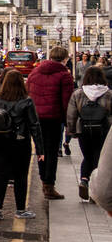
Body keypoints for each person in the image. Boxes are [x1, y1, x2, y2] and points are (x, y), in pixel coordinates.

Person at [0, 68, 43, 219]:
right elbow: (34, 126)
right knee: (20, 176)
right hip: (20, 142)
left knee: (0, 175)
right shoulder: (26, 101)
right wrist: (40, 149)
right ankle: (20, 210)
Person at [27, 46, 75, 200]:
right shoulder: (64, 75)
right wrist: (69, 123)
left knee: (41, 151)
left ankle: (43, 181)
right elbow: (67, 101)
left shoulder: (35, 72)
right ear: (65, 59)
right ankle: (49, 185)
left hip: (36, 118)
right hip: (53, 118)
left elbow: (29, 93)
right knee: (52, 152)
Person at [66, 64, 112, 203]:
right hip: (103, 130)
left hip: (83, 130)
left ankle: (84, 180)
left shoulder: (78, 93)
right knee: (99, 159)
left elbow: (71, 114)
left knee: (87, 156)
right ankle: (94, 192)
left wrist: (71, 130)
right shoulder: (109, 93)